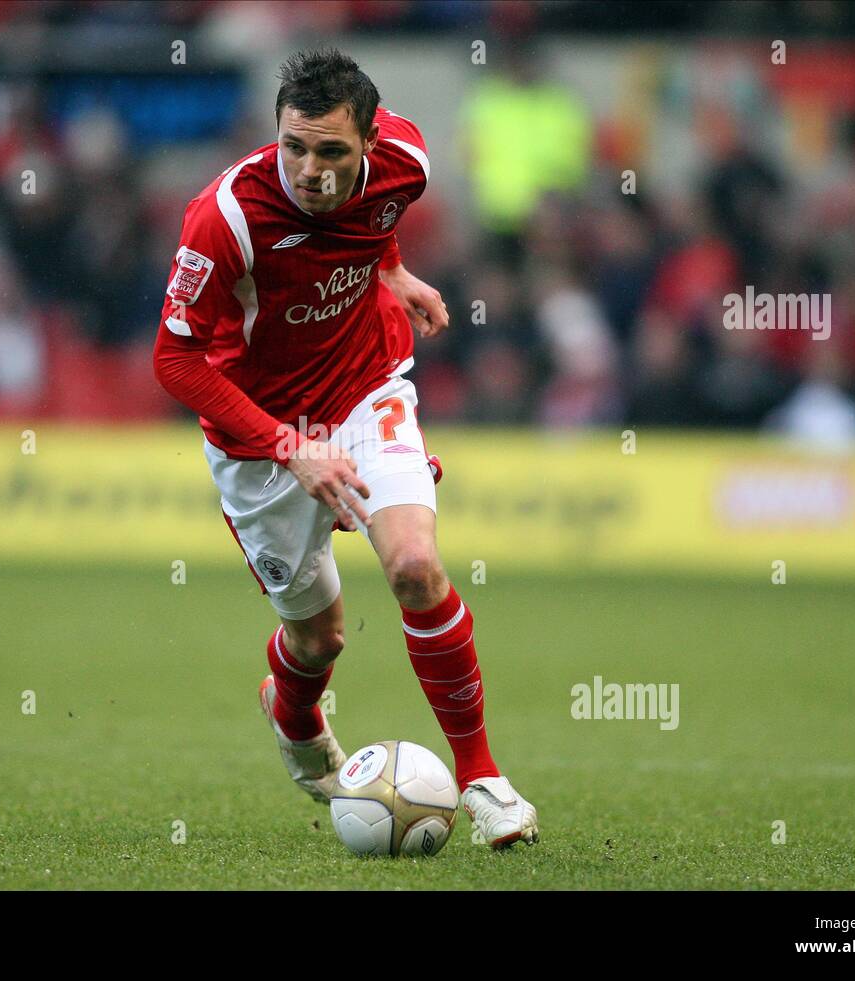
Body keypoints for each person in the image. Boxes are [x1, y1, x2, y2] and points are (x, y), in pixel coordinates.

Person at [152, 48, 538, 848]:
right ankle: (292, 710)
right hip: (258, 433)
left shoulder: (408, 161)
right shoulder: (223, 217)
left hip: (365, 383)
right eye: (295, 146)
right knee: (318, 636)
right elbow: (175, 360)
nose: (311, 170)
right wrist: (289, 447)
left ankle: (484, 782)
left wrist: (390, 272)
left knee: (414, 566)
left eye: (332, 151)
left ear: (368, 141)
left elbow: (378, 222)